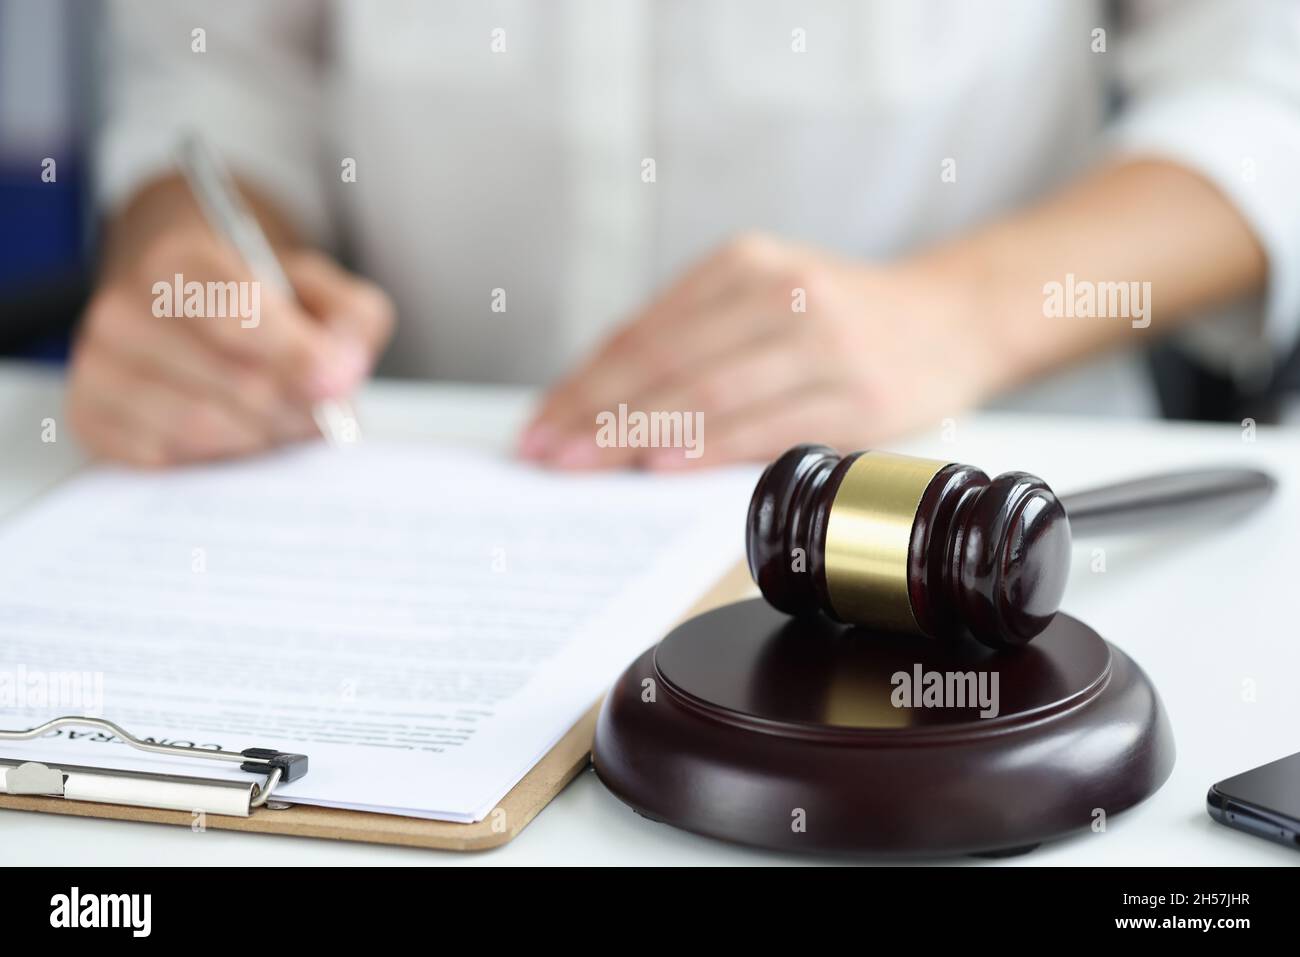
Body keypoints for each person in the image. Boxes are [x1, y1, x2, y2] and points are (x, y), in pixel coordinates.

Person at [70, 0, 1300, 469]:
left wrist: (957, 313)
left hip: (966, 505)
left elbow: (1267, 89)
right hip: (417, 491)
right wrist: (201, 273)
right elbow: (217, 88)